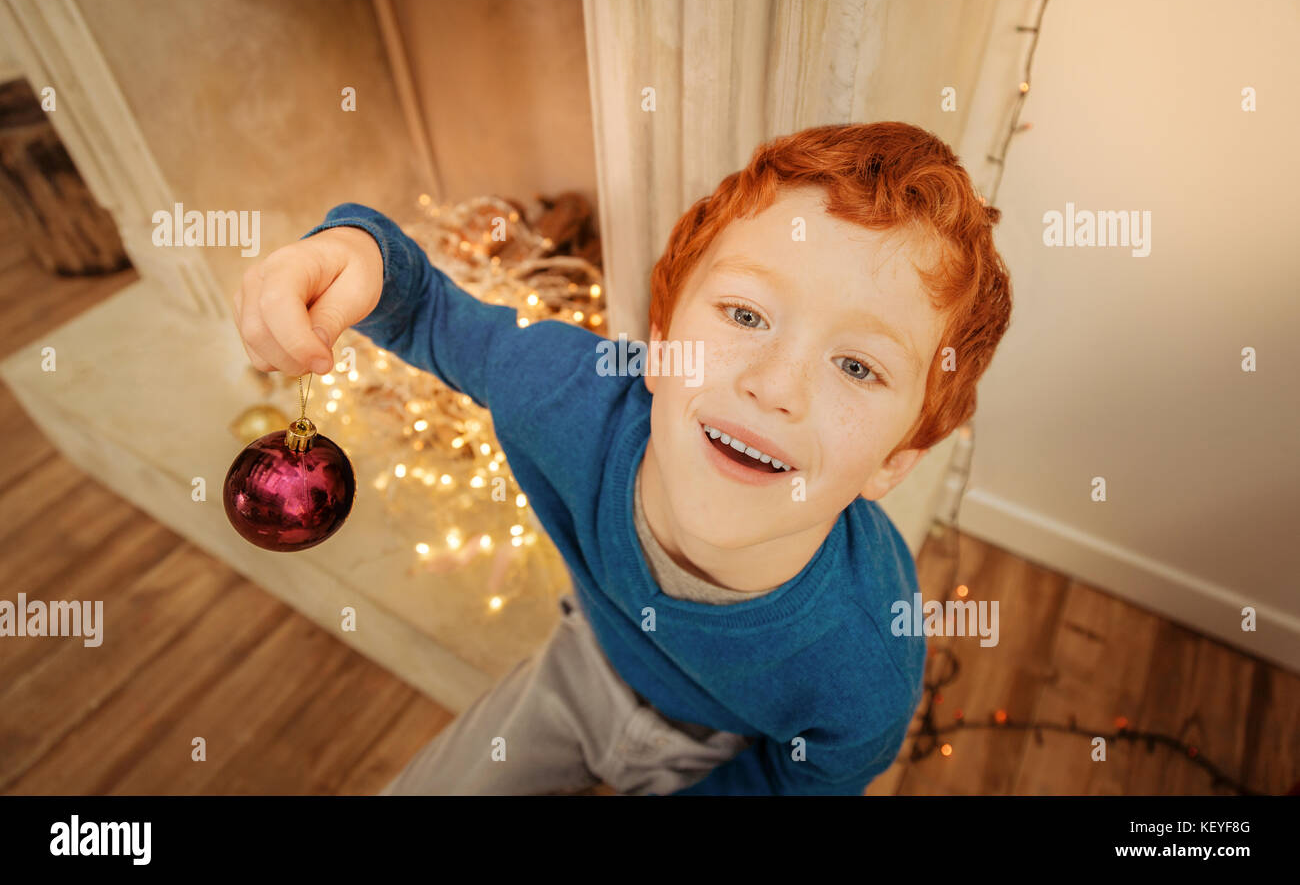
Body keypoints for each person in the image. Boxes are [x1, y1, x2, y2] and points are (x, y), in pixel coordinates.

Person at [231, 121, 1013, 795]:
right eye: (745, 313)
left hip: (722, 748)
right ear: (659, 345)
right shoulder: (568, 398)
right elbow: (429, 311)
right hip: (583, 665)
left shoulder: (866, 663)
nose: (774, 387)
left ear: (894, 463)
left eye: (858, 367)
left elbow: (796, 784)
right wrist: (351, 251)